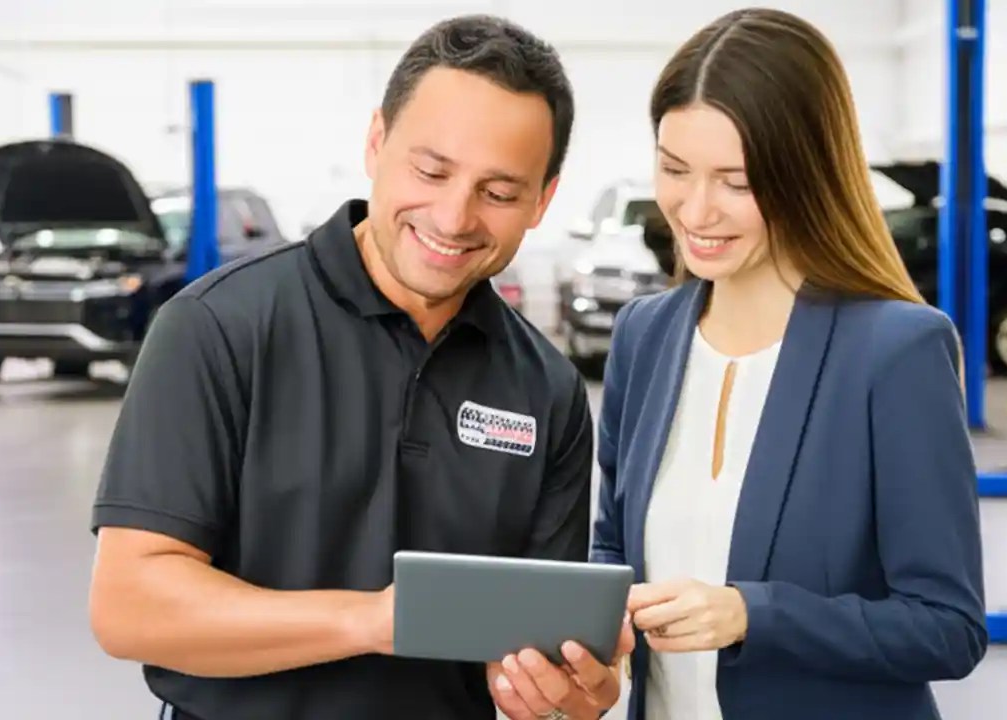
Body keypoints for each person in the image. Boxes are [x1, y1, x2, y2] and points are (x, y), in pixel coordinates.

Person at [87, 14, 630, 720]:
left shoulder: (546, 390)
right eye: (430, 170)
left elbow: (531, 649)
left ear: (542, 200)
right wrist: (374, 621)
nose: (453, 215)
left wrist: (569, 692)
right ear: (376, 143)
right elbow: (130, 607)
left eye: (498, 193)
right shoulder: (220, 327)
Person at [590, 8, 988, 720]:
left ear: (806, 175)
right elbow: (613, 549)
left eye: (736, 182)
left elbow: (947, 627)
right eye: (675, 169)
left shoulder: (897, 352)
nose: (696, 210)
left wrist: (753, 615)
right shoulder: (642, 337)